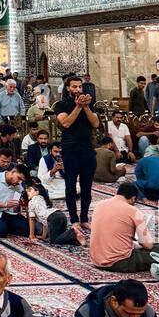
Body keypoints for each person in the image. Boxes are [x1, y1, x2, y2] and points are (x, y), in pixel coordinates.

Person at [89, 180, 159, 272]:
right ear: (133, 198)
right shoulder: (133, 211)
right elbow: (147, 245)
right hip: (120, 262)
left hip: (96, 260)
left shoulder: (99, 205)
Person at [54, 73, 98, 226]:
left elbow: (95, 123)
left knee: (87, 186)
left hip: (87, 148)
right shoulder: (61, 105)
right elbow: (66, 123)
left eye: (80, 86)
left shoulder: (88, 104)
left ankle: (84, 218)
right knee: (71, 185)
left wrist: (85, 107)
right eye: (74, 87)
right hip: (70, 149)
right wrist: (78, 107)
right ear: (68, 88)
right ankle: (73, 219)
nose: (78, 89)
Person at [134, 137, 159, 202]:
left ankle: (144, 199)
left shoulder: (142, 161)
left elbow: (139, 179)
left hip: (154, 188)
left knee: (134, 185)